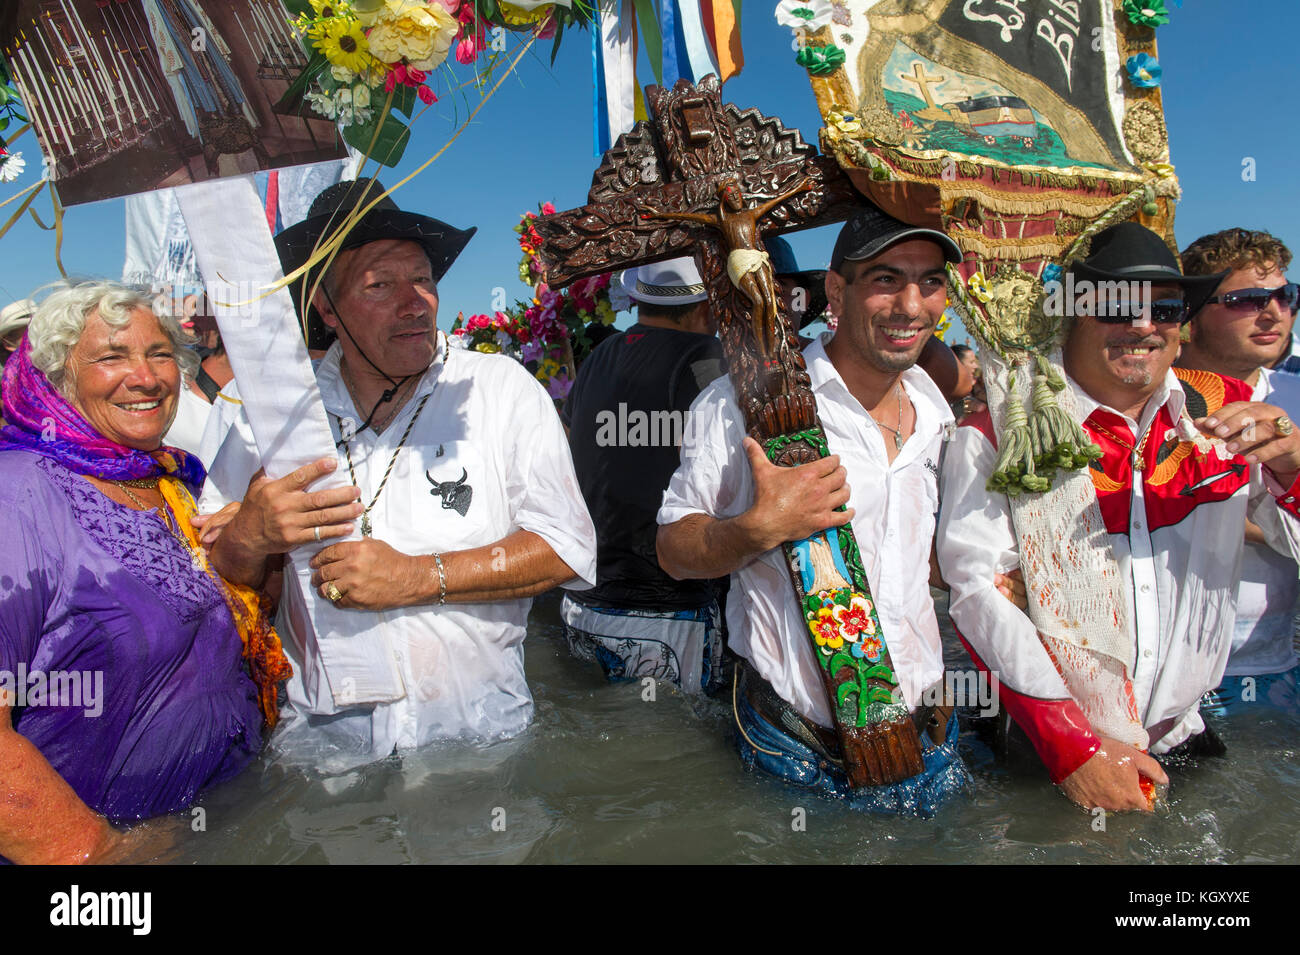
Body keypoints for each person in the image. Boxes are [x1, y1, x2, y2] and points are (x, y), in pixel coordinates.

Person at [203, 179, 598, 771]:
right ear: (327, 309)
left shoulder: (497, 390)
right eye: (381, 285)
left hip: (480, 751)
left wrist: (418, 576)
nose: (415, 301)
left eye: (422, 279)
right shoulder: (269, 415)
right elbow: (204, 584)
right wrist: (248, 539)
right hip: (321, 762)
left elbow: (567, 549)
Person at [938, 222, 1300, 813]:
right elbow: (978, 596)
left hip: (1185, 735)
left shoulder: (1224, 414)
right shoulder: (1003, 429)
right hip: (1056, 750)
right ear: (1072, 314)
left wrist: (1291, 467)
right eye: (1115, 305)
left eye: (1164, 308)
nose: (1143, 325)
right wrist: (1076, 751)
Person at [655, 206, 986, 815]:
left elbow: (923, 558)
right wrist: (756, 530)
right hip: (795, 748)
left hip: (930, 732)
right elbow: (674, 551)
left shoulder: (936, 409)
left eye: (930, 282)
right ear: (836, 289)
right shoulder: (741, 404)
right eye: (886, 279)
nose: (911, 305)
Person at [0, 281, 288, 864]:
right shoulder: (19, 495)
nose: (147, 376)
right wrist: (104, 857)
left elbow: (232, 635)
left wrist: (250, 544)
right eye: (111, 356)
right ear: (58, 378)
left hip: (222, 823)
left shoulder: (170, 484)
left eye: (159, 353)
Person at [560, 257, 727, 693]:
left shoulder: (598, 357)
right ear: (705, 306)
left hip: (583, 601)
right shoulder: (705, 358)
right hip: (666, 612)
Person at [1177, 228, 1300, 716]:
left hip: (1271, 667)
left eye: (1285, 296)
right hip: (1160, 672)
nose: (1273, 312)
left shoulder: (1296, 396)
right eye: (1247, 299)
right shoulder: (1143, 393)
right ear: (1190, 314)